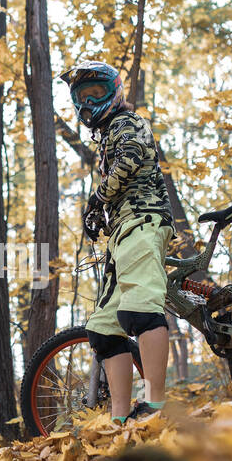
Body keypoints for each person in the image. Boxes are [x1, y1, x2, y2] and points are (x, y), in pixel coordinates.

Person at [59, 60, 173, 425]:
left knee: (140, 309)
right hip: (124, 230)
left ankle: (154, 405)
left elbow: (131, 157)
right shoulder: (107, 133)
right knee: (104, 329)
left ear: (115, 92)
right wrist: (101, 212)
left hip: (143, 219)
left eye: (97, 95)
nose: (89, 105)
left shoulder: (127, 123)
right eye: (82, 98)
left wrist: (97, 199)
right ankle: (120, 418)